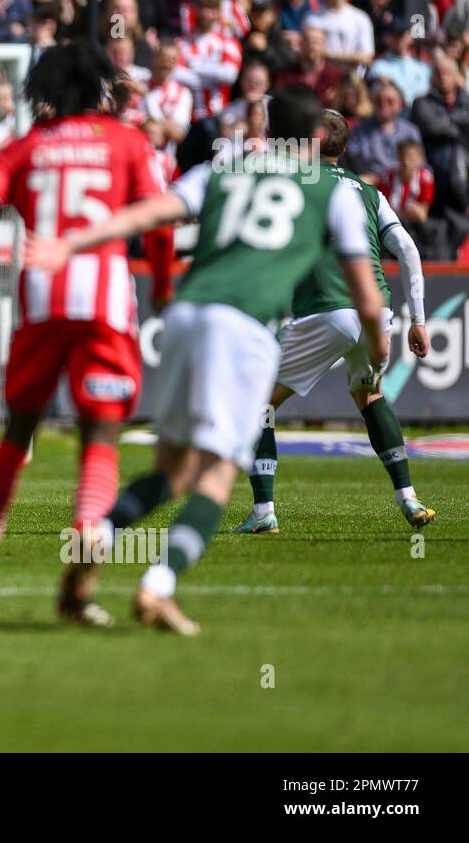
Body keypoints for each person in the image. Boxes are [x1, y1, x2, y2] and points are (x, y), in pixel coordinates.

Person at [26, 86, 386, 635]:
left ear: (266, 128)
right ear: (316, 137)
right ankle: (158, 586)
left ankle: (100, 534)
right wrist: (379, 346)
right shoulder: (332, 192)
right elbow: (367, 297)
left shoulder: (224, 170)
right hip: (243, 327)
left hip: (184, 317)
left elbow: (151, 212)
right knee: (215, 473)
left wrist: (69, 245)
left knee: (170, 469)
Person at [0, 41, 173, 625]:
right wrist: (164, 287)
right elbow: (161, 220)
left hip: (41, 298)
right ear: (99, 88)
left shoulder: (25, 148)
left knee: (16, 439)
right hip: (107, 303)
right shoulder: (127, 143)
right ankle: (81, 571)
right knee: (100, 442)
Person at [236, 110, 433, 534]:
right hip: (377, 312)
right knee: (370, 395)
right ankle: (409, 498)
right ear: (344, 148)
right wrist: (418, 319)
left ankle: (263, 512)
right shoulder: (368, 191)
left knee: (256, 403)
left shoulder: (293, 185)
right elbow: (409, 250)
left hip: (330, 310)